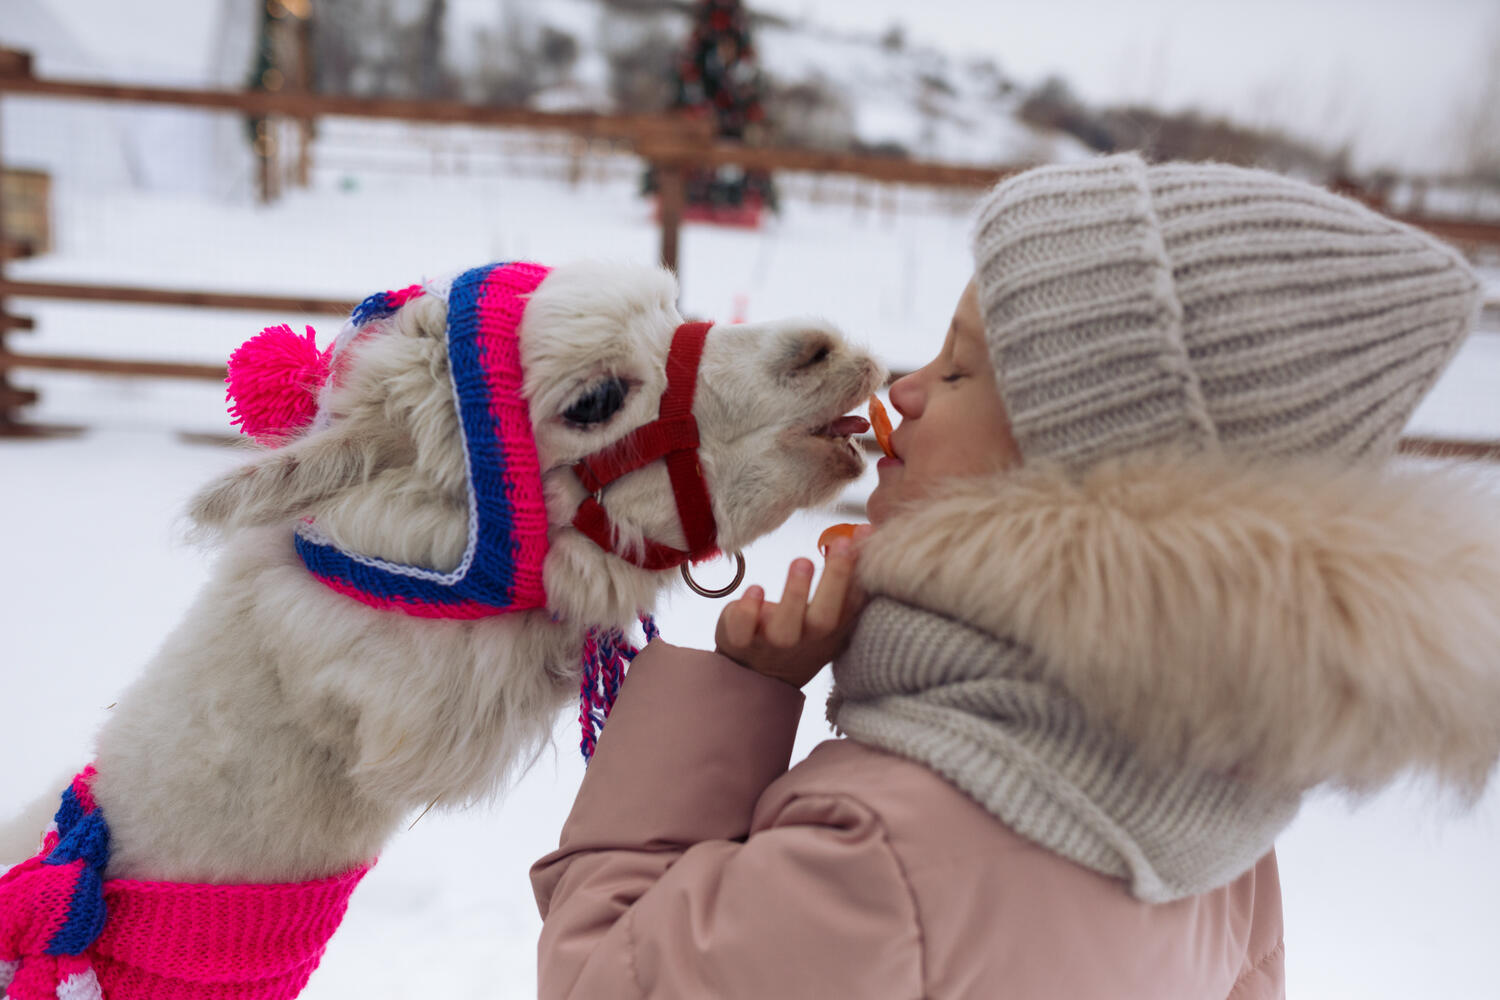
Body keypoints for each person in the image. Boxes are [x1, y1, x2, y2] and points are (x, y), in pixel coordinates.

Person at [530, 153, 1500, 999]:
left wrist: (740, 696)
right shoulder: (1215, 828)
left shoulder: (886, 853)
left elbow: (602, 977)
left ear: (1082, 462)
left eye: (959, 373)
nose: (904, 388)